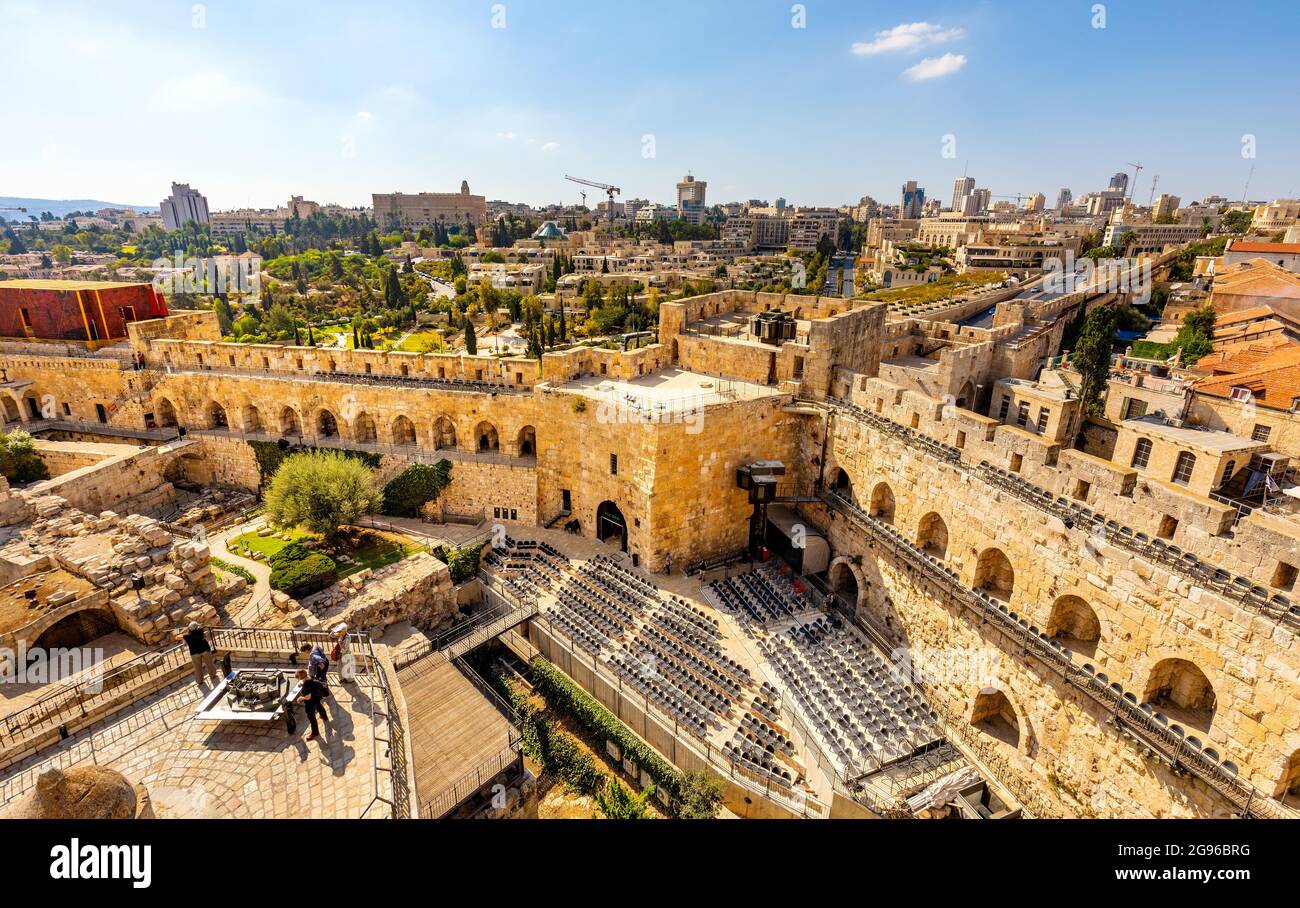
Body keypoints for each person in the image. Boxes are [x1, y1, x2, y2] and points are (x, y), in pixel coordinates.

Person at [177, 621, 220, 686]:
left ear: (189, 629)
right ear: (196, 627)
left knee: (197, 667)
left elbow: (178, 637)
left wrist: (187, 631)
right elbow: (199, 627)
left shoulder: (186, 636)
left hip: (194, 653)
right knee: (209, 663)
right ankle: (213, 675)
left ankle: (199, 681)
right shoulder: (200, 631)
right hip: (205, 650)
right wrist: (190, 628)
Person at [294, 669, 330, 741]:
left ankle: (315, 732)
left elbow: (308, 697)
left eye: (297, 678)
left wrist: (300, 698)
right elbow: (310, 685)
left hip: (311, 702)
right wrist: (303, 684)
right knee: (319, 705)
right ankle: (324, 717)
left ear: (299, 678)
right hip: (317, 697)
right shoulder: (310, 678)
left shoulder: (306, 685)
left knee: (311, 717)